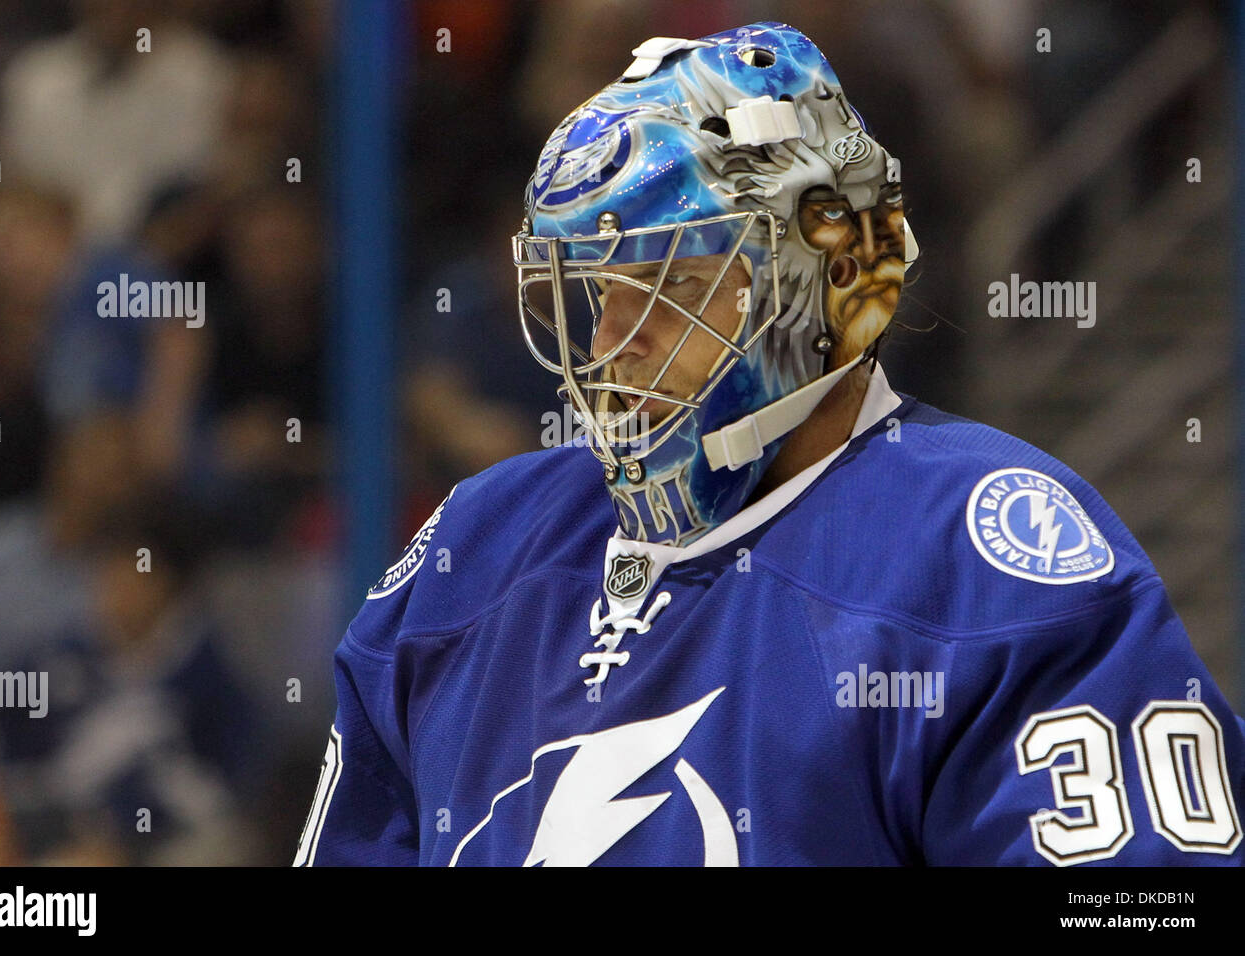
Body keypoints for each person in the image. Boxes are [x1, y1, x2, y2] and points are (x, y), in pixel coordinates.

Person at [298, 22, 1244, 866]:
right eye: (599, 290)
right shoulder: (476, 551)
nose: (612, 345)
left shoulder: (987, 553)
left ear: (833, 275)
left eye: (674, 284)